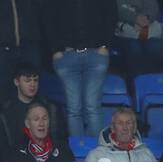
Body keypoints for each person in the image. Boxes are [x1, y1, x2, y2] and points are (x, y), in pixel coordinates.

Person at [46, 1, 117, 140]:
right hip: (67, 55)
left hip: (95, 54)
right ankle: (78, 154)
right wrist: (55, 49)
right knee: (74, 109)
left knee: (92, 107)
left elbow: (111, 14)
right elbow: (47, 18)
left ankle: (97, 155)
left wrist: (105, 45)